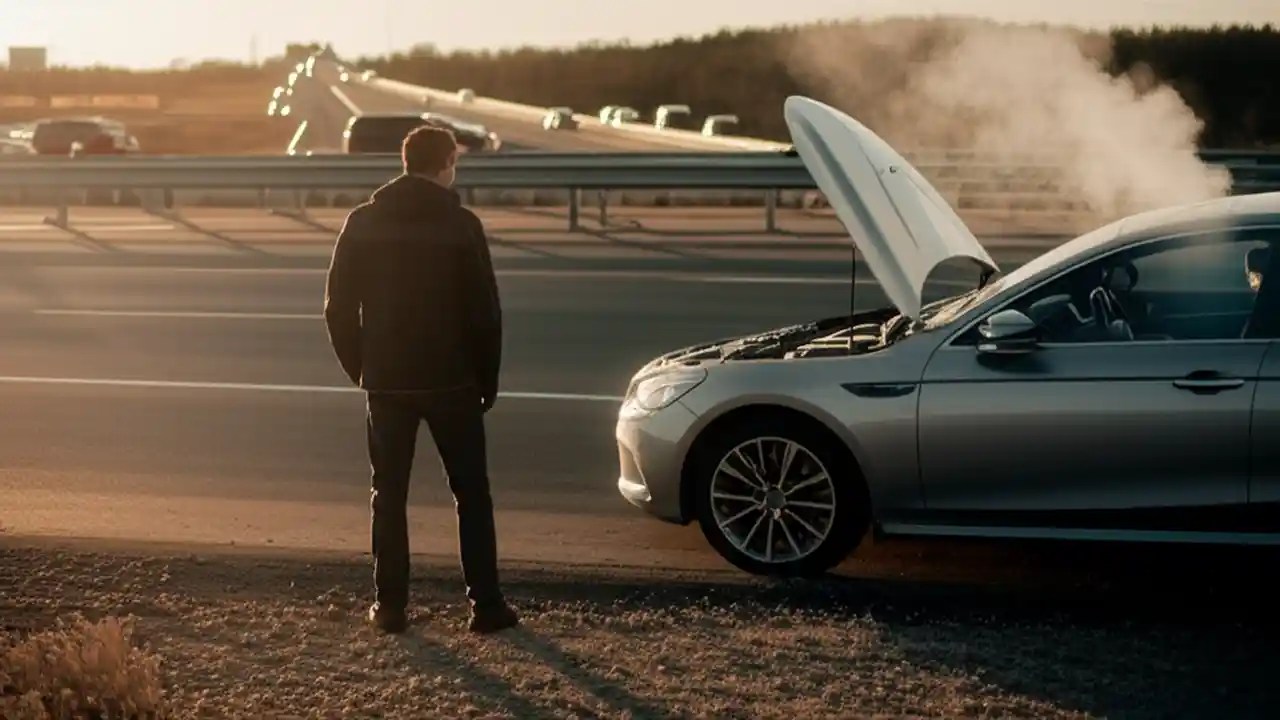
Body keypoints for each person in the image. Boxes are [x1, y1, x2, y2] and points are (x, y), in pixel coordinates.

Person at [323, 124, 518, 635]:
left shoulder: (362, 221)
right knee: (471, 493)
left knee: (388, 495)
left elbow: (337, 307)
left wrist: (362, 368)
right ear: (444, 164)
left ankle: (390, 607)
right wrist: (486, 380)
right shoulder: (461, 226)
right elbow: (486, 313)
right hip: (452, 380)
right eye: (455, 160)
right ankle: (486, 605)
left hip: (387, 382)